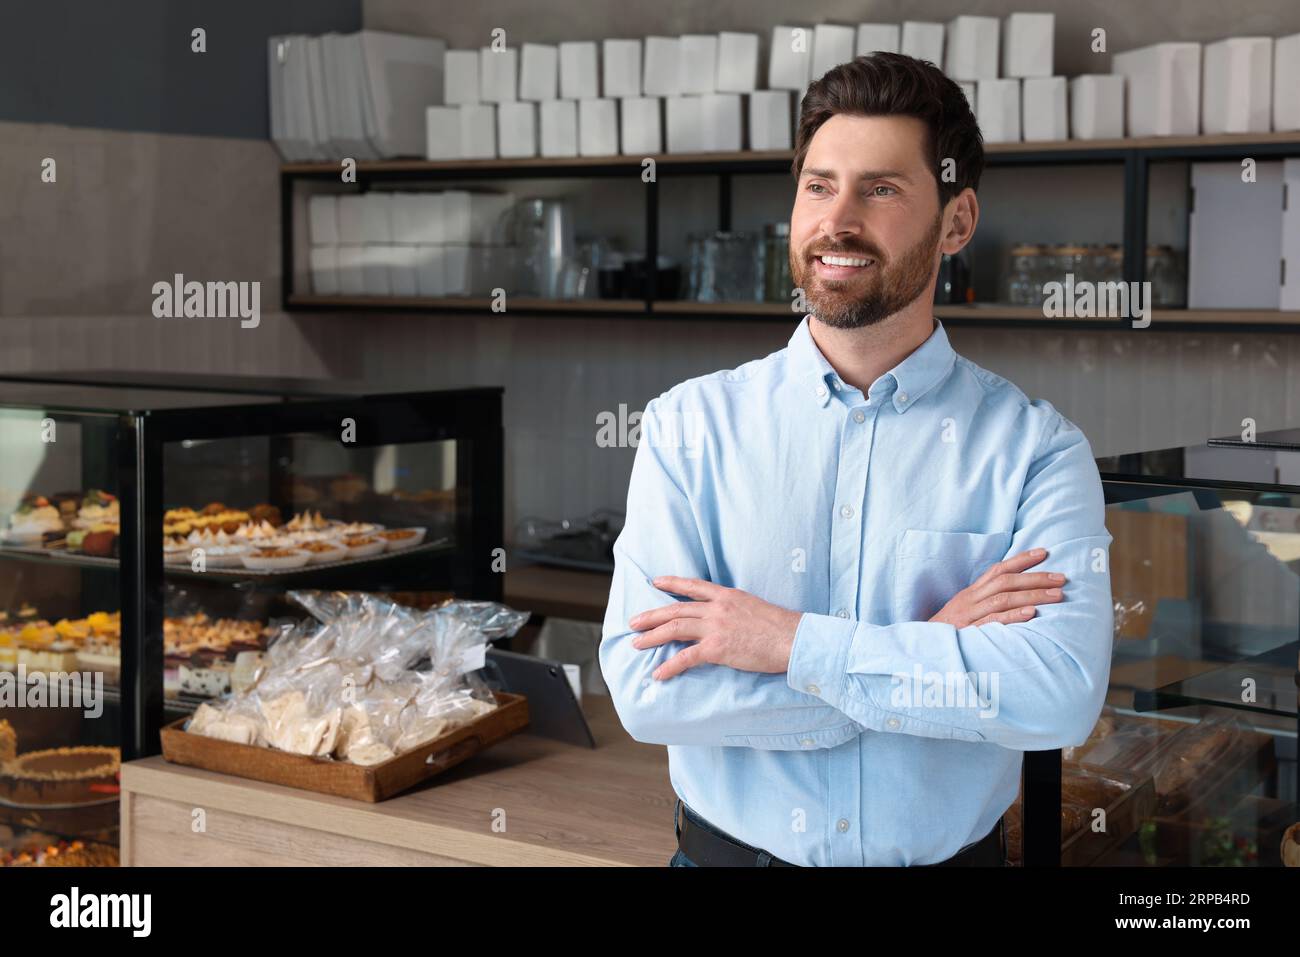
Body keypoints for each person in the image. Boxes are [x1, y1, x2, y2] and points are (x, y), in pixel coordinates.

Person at [599, 52, 1114, 867]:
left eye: (880, 189)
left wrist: (789, 644)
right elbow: (646, 693)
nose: (837, 221)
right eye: (818, 185)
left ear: (956, 220)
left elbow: (1054, 698)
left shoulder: (1037, 451)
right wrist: (920, 653)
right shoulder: (687, 428)